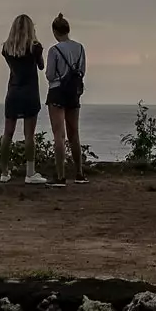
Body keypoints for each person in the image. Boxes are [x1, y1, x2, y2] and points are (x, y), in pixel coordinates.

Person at [0, 14, 51, 184]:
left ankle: (4, 172)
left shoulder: (7, 48)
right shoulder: (35, 47)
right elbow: (41, 66)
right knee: (29, 134)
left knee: (7, 133)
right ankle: (30, 173)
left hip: (13, 92)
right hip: (30, 93)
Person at [44, 13, 88, 184]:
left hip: (57, 92)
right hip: (73, 93)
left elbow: (49, 75)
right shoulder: (80, 48)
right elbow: (82, 71)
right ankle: (79, 173)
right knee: (74, 134)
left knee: (59, 135)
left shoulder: (54, 50)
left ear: (55, 31)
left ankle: (60, 176)